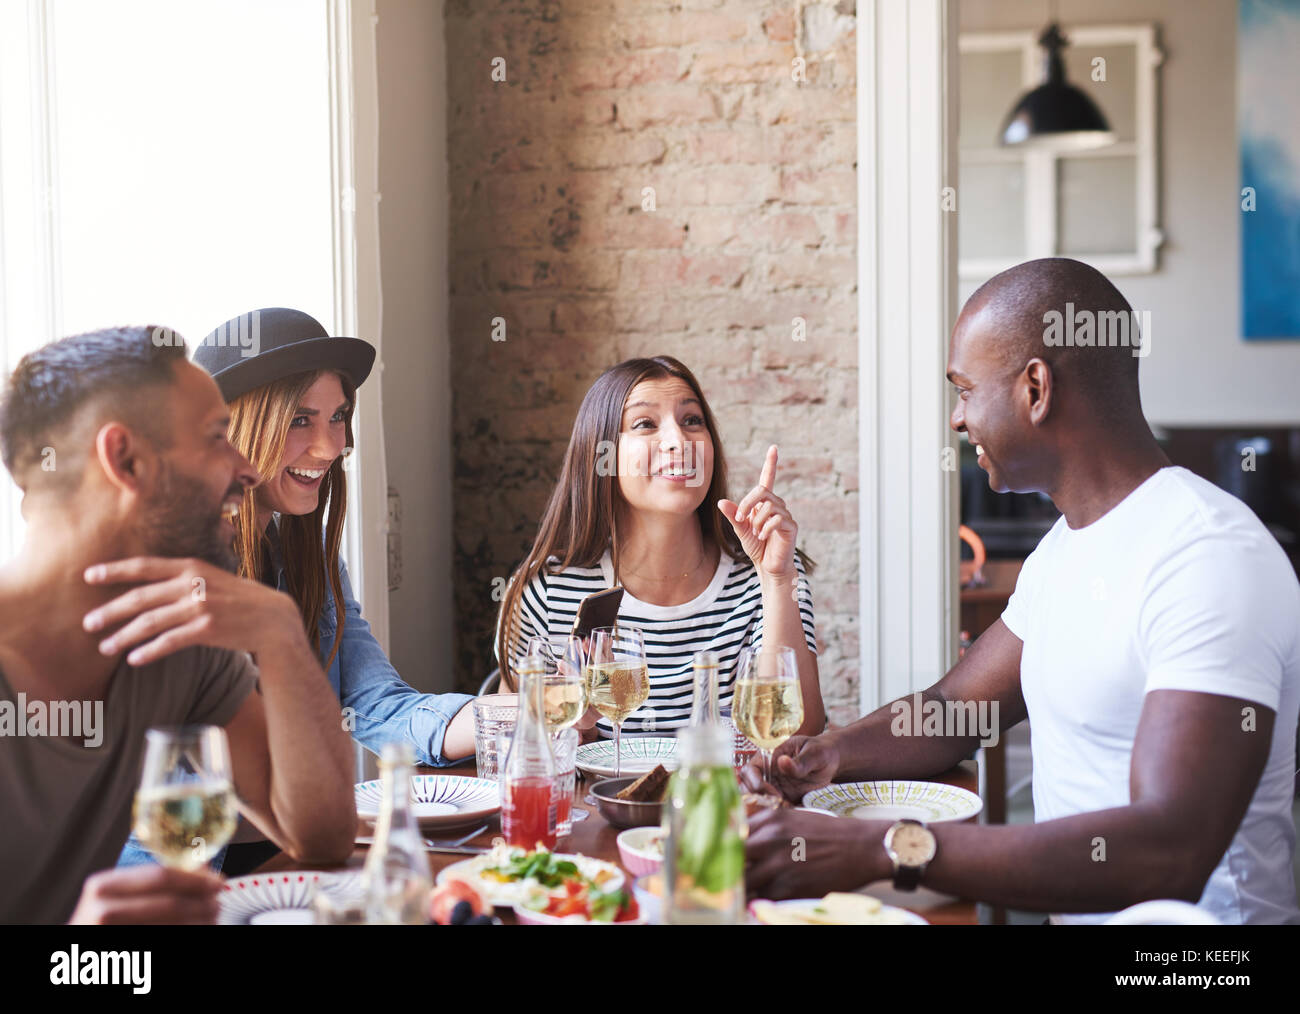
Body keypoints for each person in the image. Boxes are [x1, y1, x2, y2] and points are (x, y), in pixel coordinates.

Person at [744, 257, 1300, 924]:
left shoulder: (1208, 558)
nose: (956, 418)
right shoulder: (1066, 549)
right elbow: (956, 711)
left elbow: (1168, 854)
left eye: (964, 389)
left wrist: (888, 848)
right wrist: (825, 755)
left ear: (1035, 388)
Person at [0, 326, 355, 923]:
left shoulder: (178, 647)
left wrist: (283, 636)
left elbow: (321, 836)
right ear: (126, 461)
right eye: (218, 438)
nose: (247, 469)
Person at [119, 307, 477, 873]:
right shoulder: (170, 576)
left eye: (338, 417)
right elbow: (169, 792)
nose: (331, 446)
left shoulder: (309, 560)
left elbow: (377, 705)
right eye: (300, 421)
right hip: (171, 877)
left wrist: (505, 716)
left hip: (290, 858)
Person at [495, 355, 825, 737]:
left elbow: (800, 734)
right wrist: (571, 726)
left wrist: (776, 581)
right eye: (645, 424)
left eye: (691, 421)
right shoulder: (549, 589)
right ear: (601, 455)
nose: (679, 441)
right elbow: (511, 745)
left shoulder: (766, 574)